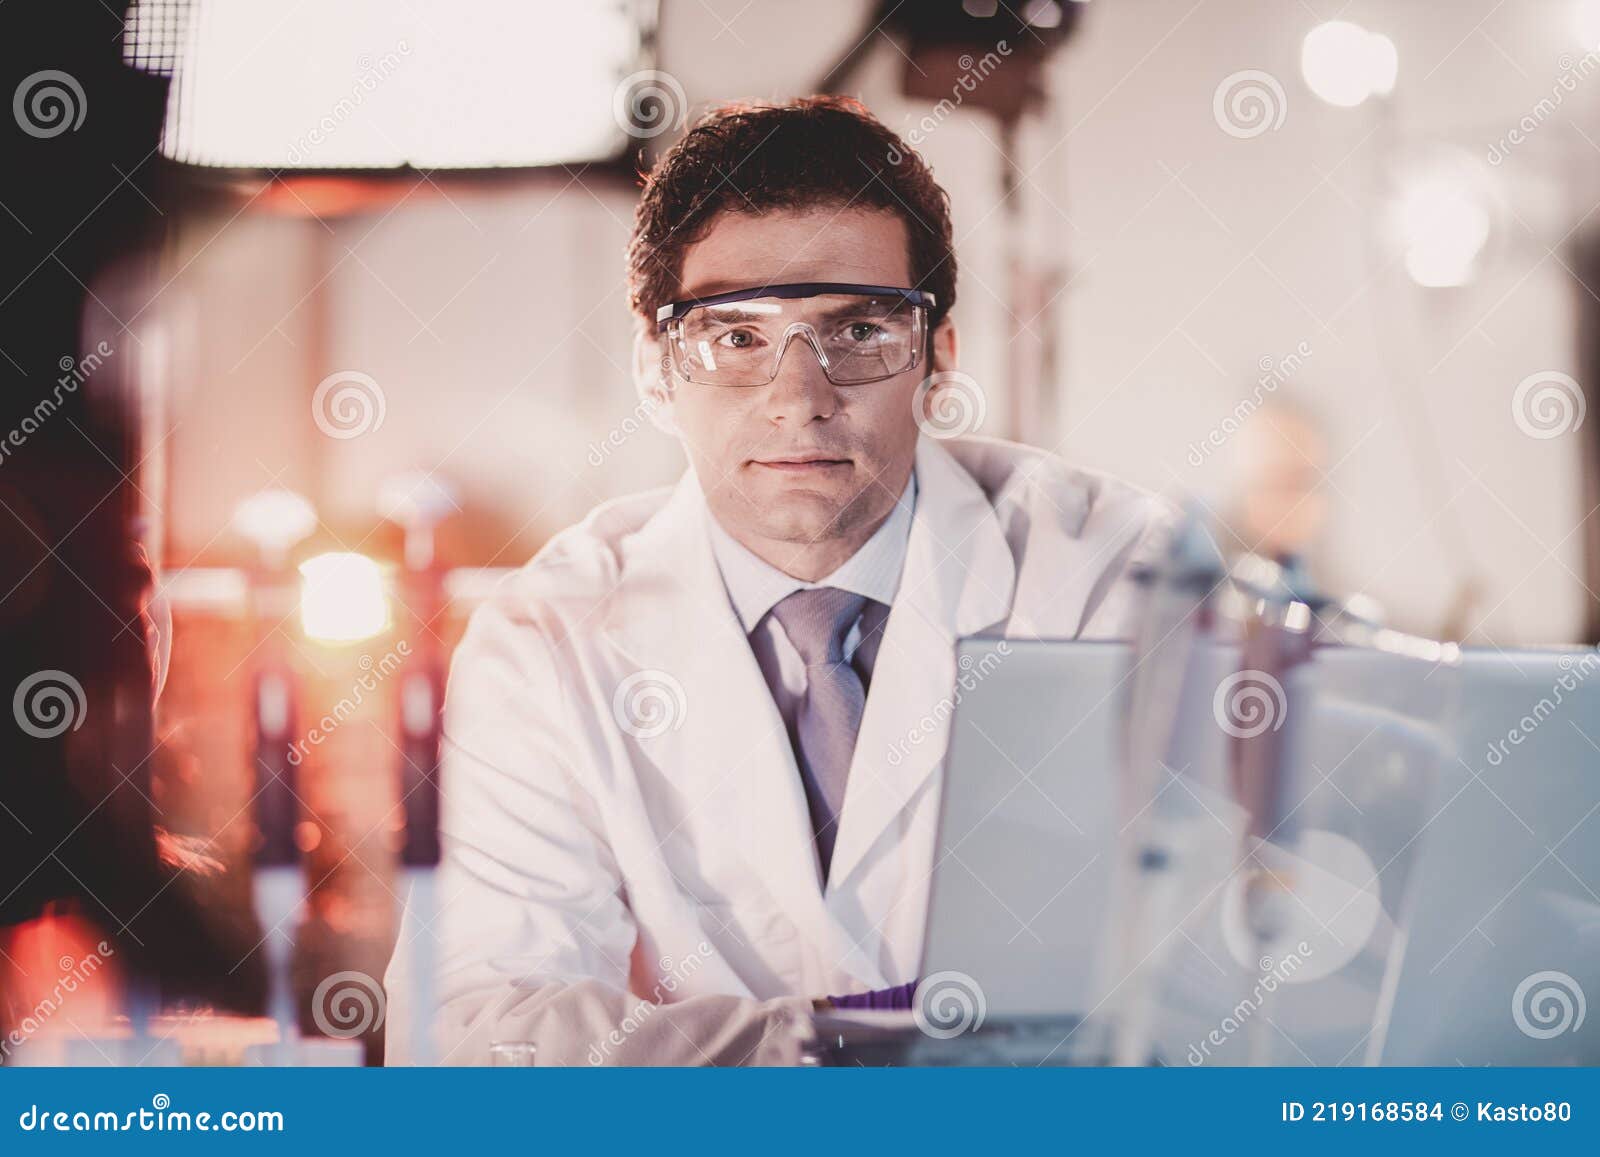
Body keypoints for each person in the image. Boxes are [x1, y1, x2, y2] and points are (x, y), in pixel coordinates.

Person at [385, 96, 1173, 1065]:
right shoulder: (548, 639)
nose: (799, 398)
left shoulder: (1112, 573)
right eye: (736, 336)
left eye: (858, 331)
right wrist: (851, 1049)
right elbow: (474, 1028)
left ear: (937, 360)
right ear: (654, 370)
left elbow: (1193, 982)